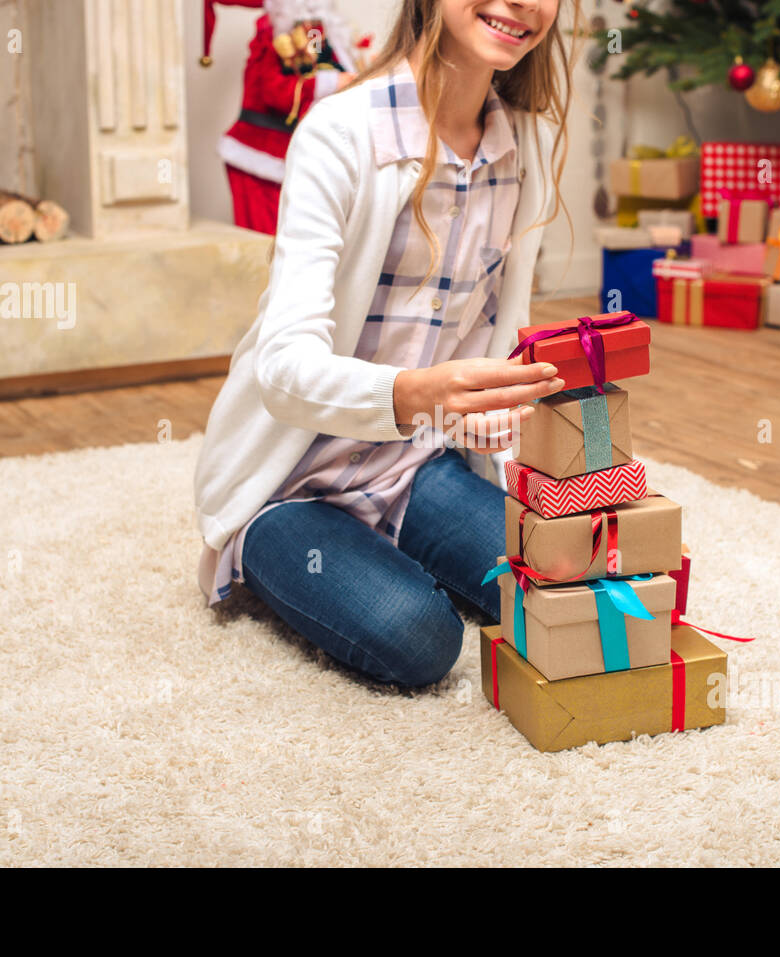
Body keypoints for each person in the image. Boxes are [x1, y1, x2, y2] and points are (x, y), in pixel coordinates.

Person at [194, 0, 580, 686]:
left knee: (566, 581)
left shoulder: (527, 146)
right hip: (292, 481)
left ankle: (394, 543)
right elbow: (282, 369)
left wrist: (519, 436)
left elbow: (504, 337)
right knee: (423, 639)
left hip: (418, 463)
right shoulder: (339, 131)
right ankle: (261, 550)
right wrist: (413, 394)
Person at [201, 0, 364, 234]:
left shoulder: (315, 30)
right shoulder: (273, 32)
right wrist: (333, 82)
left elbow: (322, 65)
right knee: (265, 250)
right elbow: (274, 91)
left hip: (297, 158)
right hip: (260, 160)